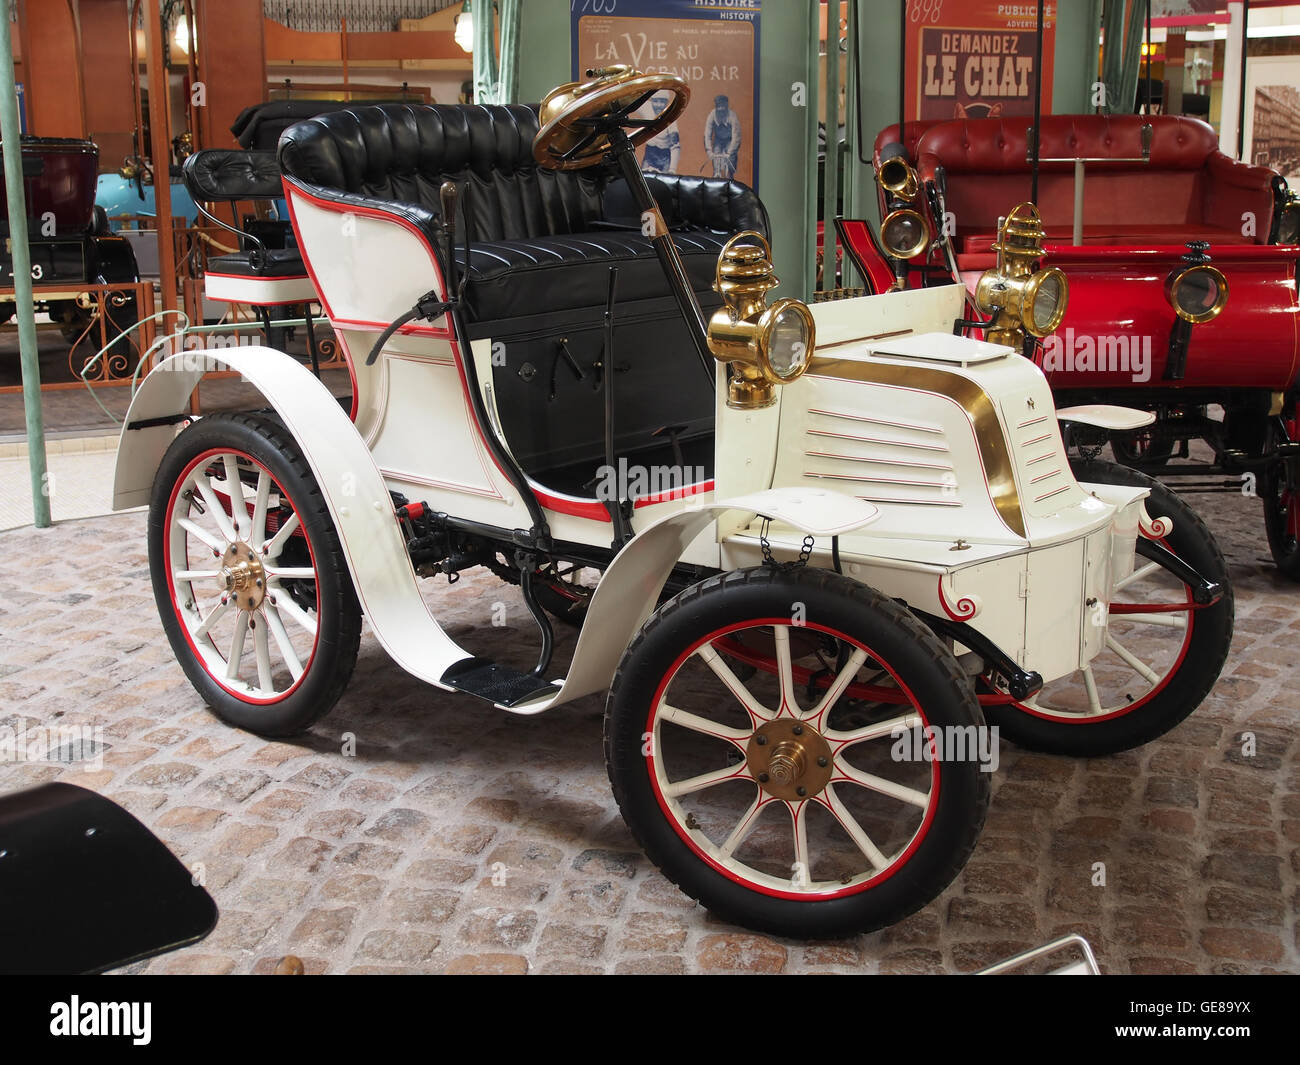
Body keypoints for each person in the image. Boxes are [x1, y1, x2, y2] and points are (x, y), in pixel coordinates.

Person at [639, 90, 680, 173]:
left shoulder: (670, 117)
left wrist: (672, 169)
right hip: (650, 153)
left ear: (667, 103)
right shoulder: (646, 107)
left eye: (662, 102)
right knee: (643, 178)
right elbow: (632, 103)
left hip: (664, 156)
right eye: (656, 101)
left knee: (666, 181)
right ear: (652, 101)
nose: (658, 105)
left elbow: (675, 146)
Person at [703, 94, 741, 179]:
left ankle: (730, 177)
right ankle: (717, 174)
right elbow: (707, 134)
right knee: (716, 159)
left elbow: (736, 137)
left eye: (723, 109)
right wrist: (709, 151)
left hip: (730, 140)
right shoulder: (712, 115)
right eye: (718, 108)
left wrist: (730, 152)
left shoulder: (732, 116)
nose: (721, 111)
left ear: (726, 107)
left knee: (730, 162)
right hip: (718, 140)